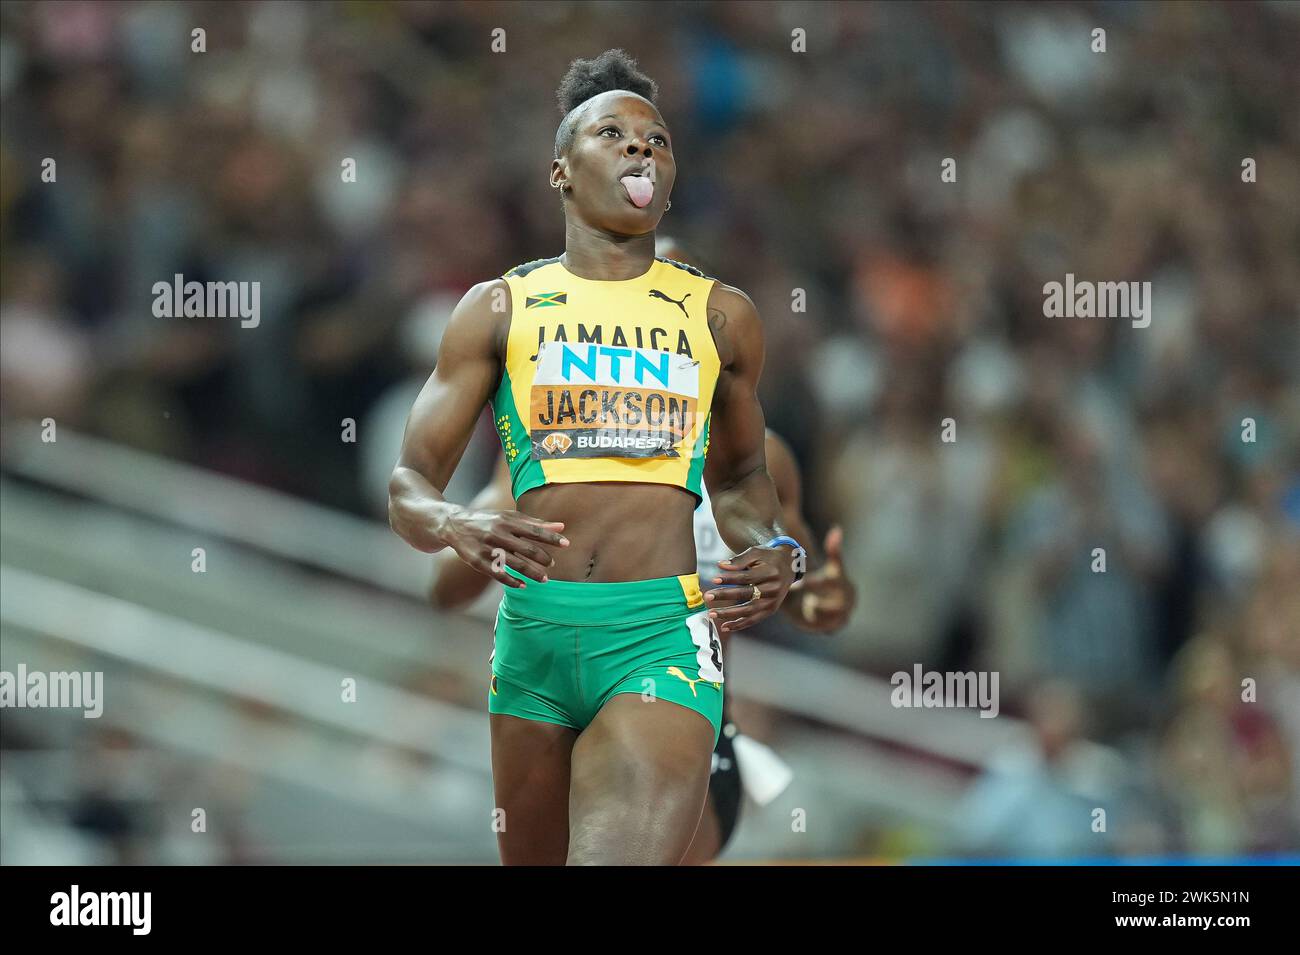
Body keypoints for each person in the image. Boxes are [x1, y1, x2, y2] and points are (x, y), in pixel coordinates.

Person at [388, 50, 803, 865]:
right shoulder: (498, 308)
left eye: (657, 140)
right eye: (612, 133)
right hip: (534, 641)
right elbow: (408, 488)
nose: (640, 149)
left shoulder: (721, 317)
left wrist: (772, 545)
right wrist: (454, 523)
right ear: (560, 171)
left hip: (660, 634)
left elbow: (744, 480)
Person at [430, 237, 857, 862]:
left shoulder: (758, 462)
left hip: (688, 725)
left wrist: (818, 592)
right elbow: (446, 588)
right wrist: (470, 536)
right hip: (553, 697)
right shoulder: (549, 432)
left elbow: (802, 594)